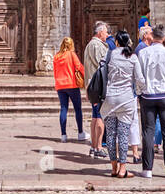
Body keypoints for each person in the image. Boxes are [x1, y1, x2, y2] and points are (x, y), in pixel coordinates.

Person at [137, 23, 165, 179]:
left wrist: (141, 92)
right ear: (163, 38)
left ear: (152, 37)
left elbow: (139, 77)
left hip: (148, 97)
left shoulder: (143, 53)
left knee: (148, 132)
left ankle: (147, 169)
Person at [99, 29, 145, 179]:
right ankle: (123, 169)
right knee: (123, 134)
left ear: (117, 42)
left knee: (111, 134)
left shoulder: (110, 55)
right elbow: (140, 80)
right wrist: (138, 92)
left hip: (110, 98)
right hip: (126, 99)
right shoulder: (133, 58)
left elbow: (102, 73)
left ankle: (113, 167)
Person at [83, 21, 110, 160]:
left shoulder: (90, 45)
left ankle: (94, 146)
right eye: (106, 32)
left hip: (92, 85)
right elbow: (104, 64)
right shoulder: (96, 45)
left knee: (95, 116)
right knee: (100, 116)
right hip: (99, 86)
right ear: (100, 33)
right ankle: (99, 147)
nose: (107, 34)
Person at [52, 36, 86, 143]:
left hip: (60, 86)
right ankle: (80, 133)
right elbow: (79, 66)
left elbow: (55, 71)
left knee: (63, 109)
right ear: (71, 45)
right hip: (72, 85)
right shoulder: (71, 54)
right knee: (77, 109)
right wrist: (87, 76)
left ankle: (63, 135)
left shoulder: (56, 56)